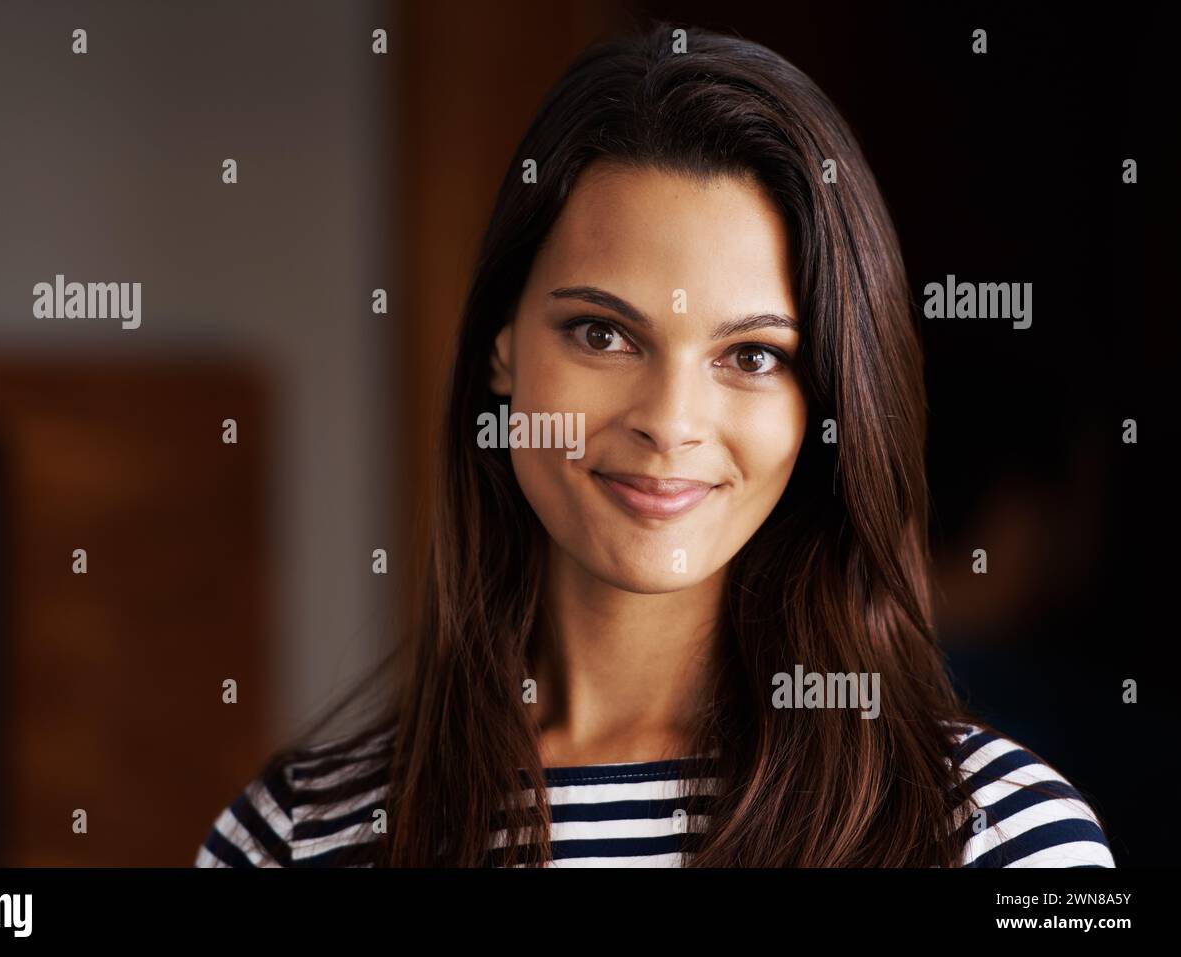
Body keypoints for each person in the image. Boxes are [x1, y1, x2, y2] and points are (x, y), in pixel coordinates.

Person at [196, 21, 1113, 868]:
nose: (669, 421)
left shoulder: (1005, 836)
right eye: (603, 334)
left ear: (826, 399)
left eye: (751, 354)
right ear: (501, 348)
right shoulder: (291, 837)